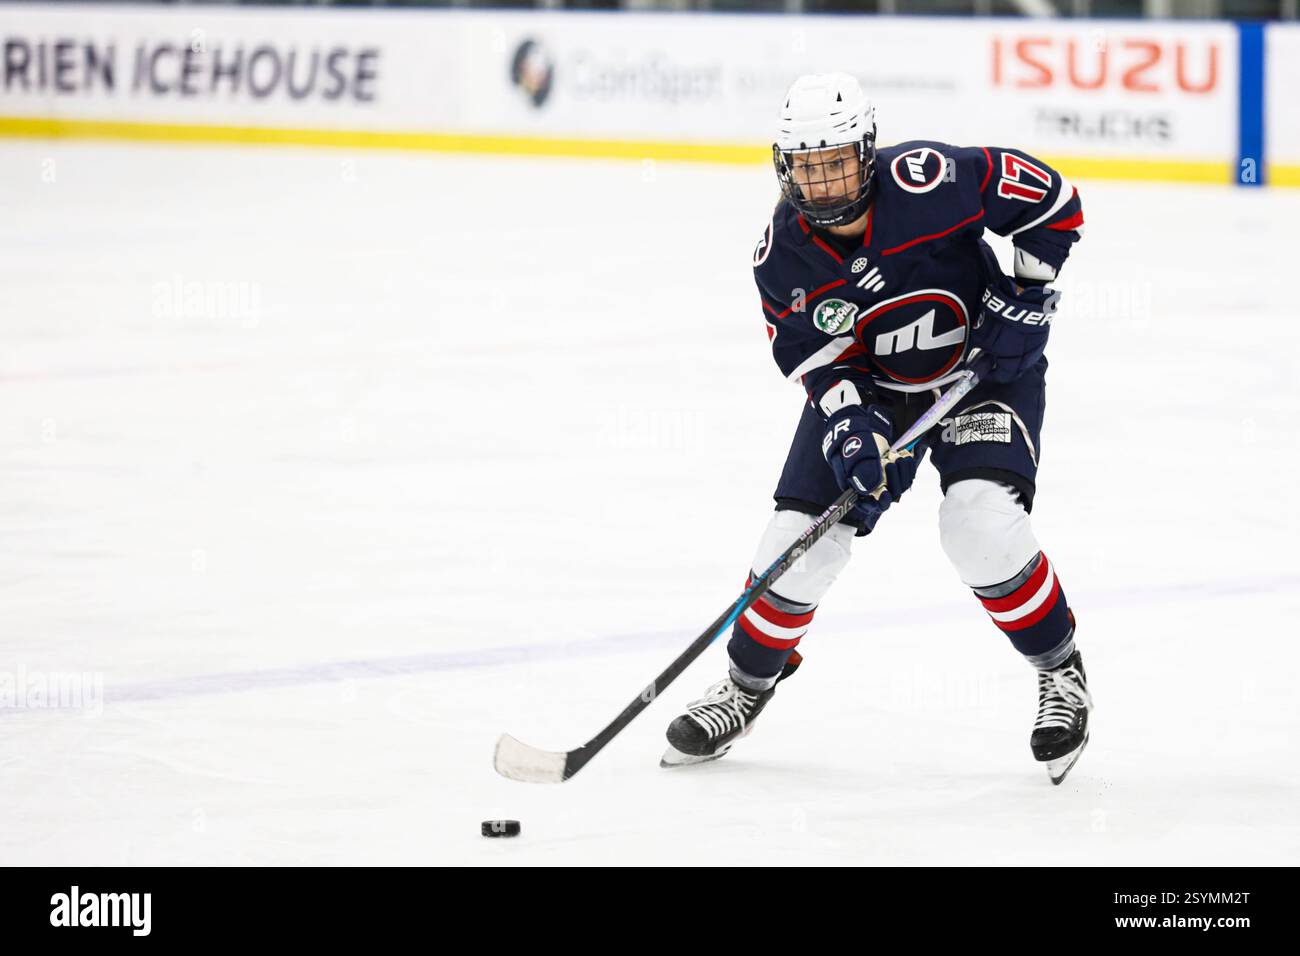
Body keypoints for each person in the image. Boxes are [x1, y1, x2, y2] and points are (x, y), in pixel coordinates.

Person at [662, 72, 1092, 784]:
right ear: (783, 165)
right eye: (808, 167)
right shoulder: (783, 257)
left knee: (979, 525)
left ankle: (1060, 672)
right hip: (879, 394)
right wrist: (853, 432)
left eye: (837, 163)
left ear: (867, 151)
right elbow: (820, 362)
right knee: (799, 546)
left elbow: (1049, 199)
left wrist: (1024, 294)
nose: (824, 184)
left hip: (986, 369)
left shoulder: (931, 179)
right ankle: (744, 687)